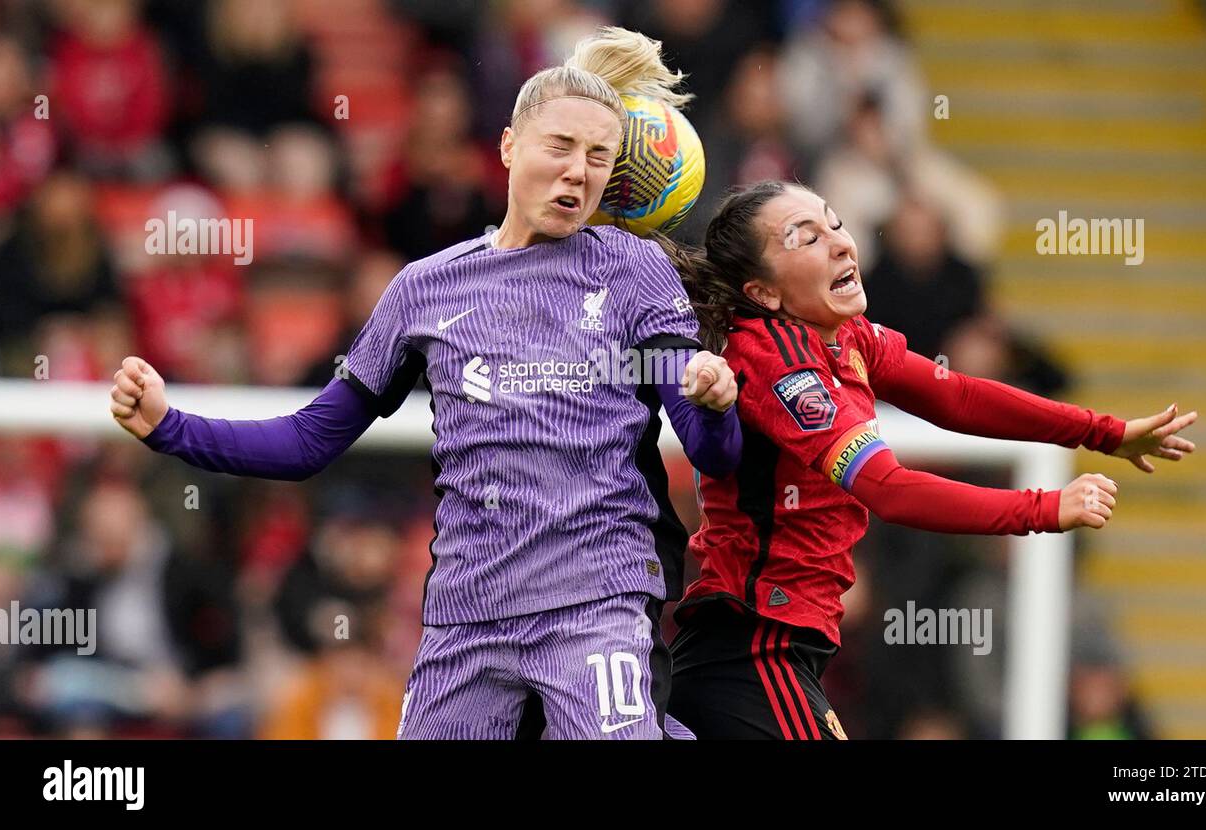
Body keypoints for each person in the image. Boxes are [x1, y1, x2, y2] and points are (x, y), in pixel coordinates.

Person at [110, 27, 741, 740]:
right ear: (507, 147)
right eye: (559, 147)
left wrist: (711, 405)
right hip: (467, 616)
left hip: (594, 603)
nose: (577, 172)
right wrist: (170, 426)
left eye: (598, 158)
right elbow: (311, 440)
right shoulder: (426, 288)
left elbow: (712, 451)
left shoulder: (633, 272)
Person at [663, 180, 1198, 739]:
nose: (841, 245)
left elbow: (957, 396)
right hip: (752, 646)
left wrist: (1103, 431)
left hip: (770, 648)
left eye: (835, 224)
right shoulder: (781, 364)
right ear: (764, 292)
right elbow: (890, 489)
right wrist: (1042, 509)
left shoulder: (845, 336)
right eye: (806, 238)